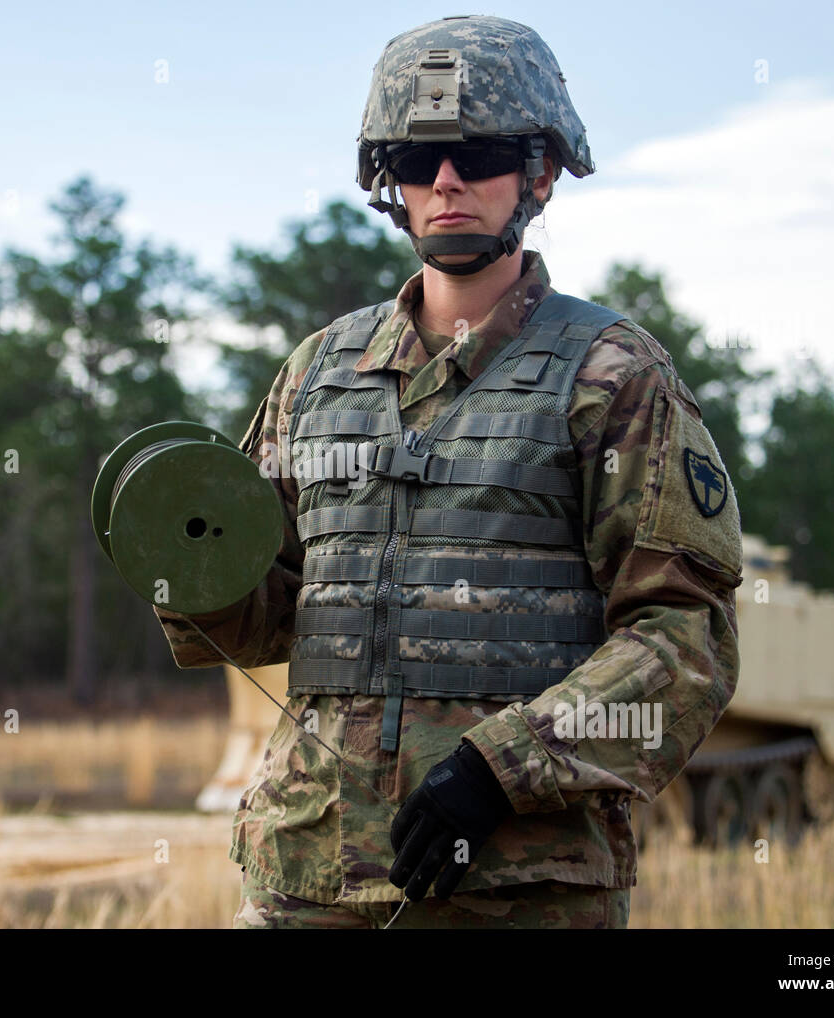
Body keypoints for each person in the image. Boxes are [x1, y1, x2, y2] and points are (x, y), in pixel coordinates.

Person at [153, 14, 743, 929]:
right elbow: (273, 614)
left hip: (517, 890)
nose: (448, 182)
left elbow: (682, 645)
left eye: (482, 153)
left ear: (540, 171)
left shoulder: (613, 377)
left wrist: (499, 768)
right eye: (417, 161)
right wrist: (185, 569)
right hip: (307, 876)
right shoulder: (318, 371)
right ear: (389, 181)